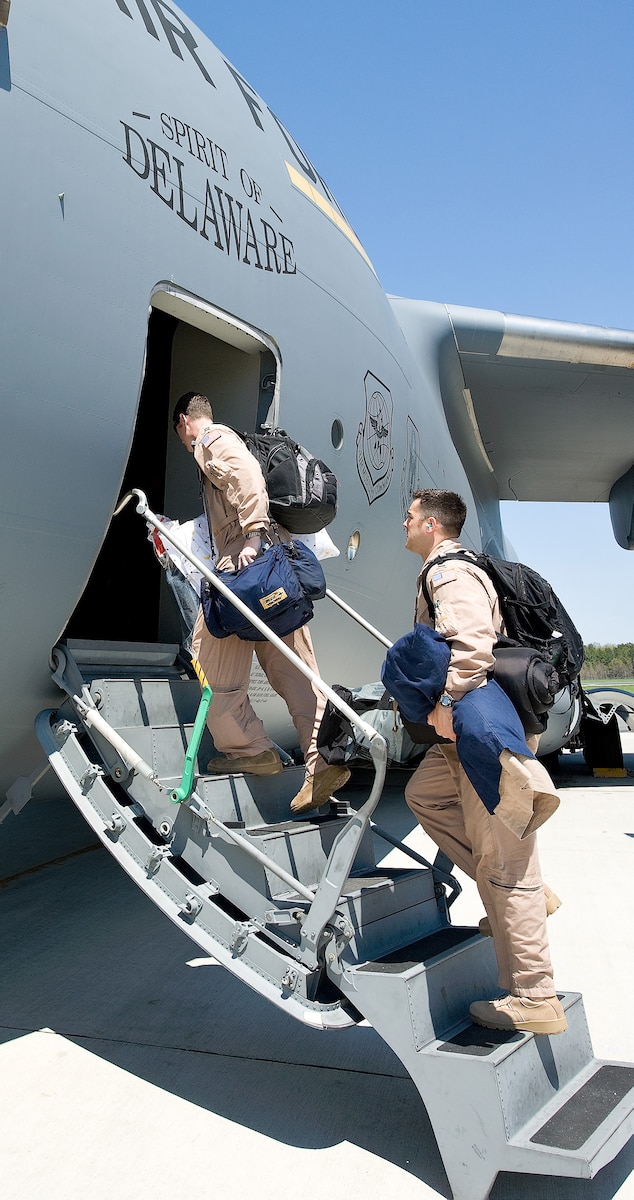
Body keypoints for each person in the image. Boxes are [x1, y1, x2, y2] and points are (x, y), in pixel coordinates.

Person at [402, 489, 566, 1035]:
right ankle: (520, 900)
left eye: (409, 517)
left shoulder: (448, 573)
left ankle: (534, 995)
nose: (403, 524)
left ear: (430, 525)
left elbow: (472, 643)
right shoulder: (447, 570)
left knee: (505, 861)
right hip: (466, 733)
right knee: (424, 796)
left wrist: (447, 700)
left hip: (476, 729)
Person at [172, 391, 350, 814]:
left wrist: (251, 533)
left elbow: (247, 474)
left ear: (183, 422)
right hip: (274, 563)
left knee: (209, 656)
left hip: (244, 562)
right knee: (294, 667)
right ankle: (321, 760)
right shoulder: (224, 438)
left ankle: (248, 748)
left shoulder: (211, 440)